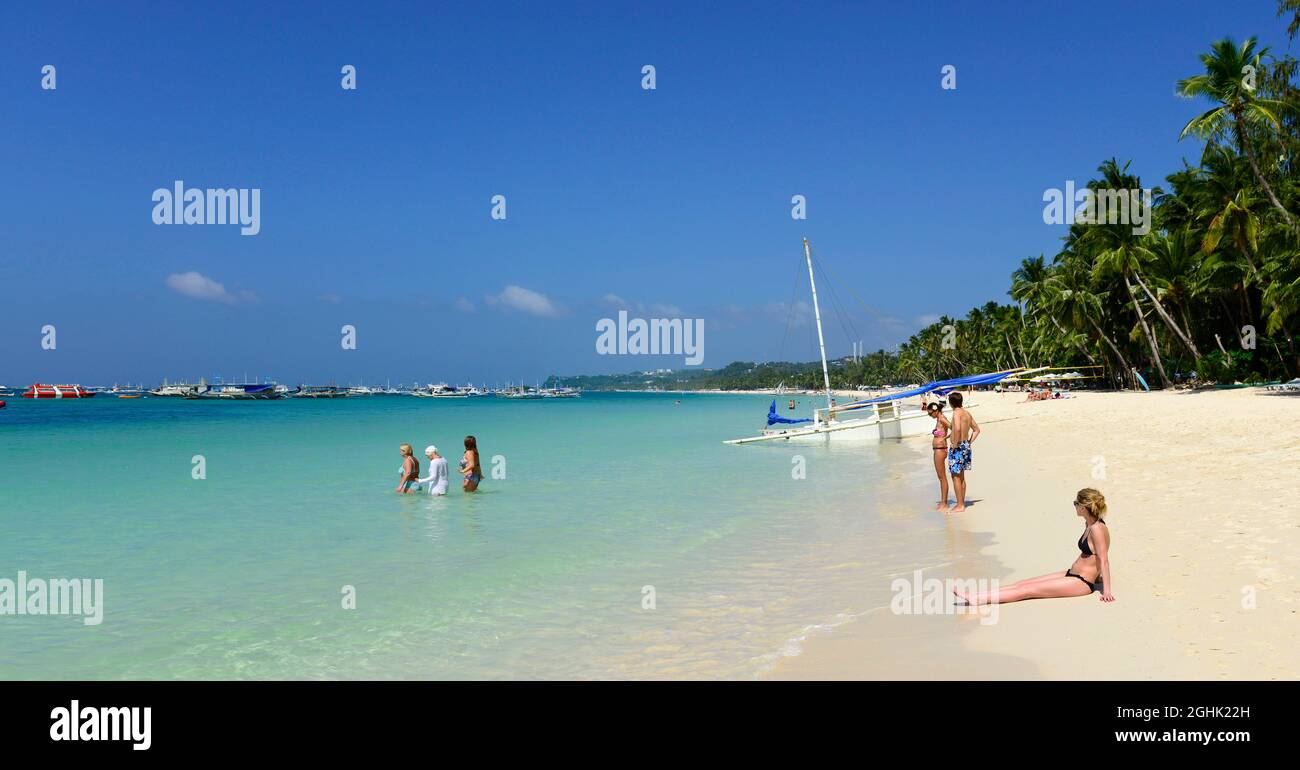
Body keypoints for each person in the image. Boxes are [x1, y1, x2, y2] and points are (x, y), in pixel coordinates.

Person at [954, 488, 1115, 605]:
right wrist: (1098, 576)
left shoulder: (1097, 529)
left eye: (1075, 503)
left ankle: (980, 599)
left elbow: (1103, 558)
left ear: (1083, 507)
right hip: (1072, 574)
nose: (1074, 506)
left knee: (1028, 591)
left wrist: (1106, 590)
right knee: (1023, 584)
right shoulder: (1089, 523)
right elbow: (1094, 556)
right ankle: (975, 594)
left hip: (1081, 582)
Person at [946, 391, 979, 513]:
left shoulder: (956, 413)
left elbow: (958, 428)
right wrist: (969, 442)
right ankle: (961, 502)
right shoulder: (967, 413)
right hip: (965, 445)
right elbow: (976, 430)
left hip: (958, 447)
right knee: (961, 476)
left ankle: (960, 505)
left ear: (951, 403)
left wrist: (954, 443)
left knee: (955, 476)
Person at [922, 398, 951, 511]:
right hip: (938, 449)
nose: (930, 416)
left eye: (930, 413)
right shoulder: (939, 419)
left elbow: (954, 428)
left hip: (940, 449)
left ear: (935, 410)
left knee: (942, 477)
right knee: (941, 477)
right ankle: (943, 502)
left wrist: (945, 437)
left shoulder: (942, 418)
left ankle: (944, 503)